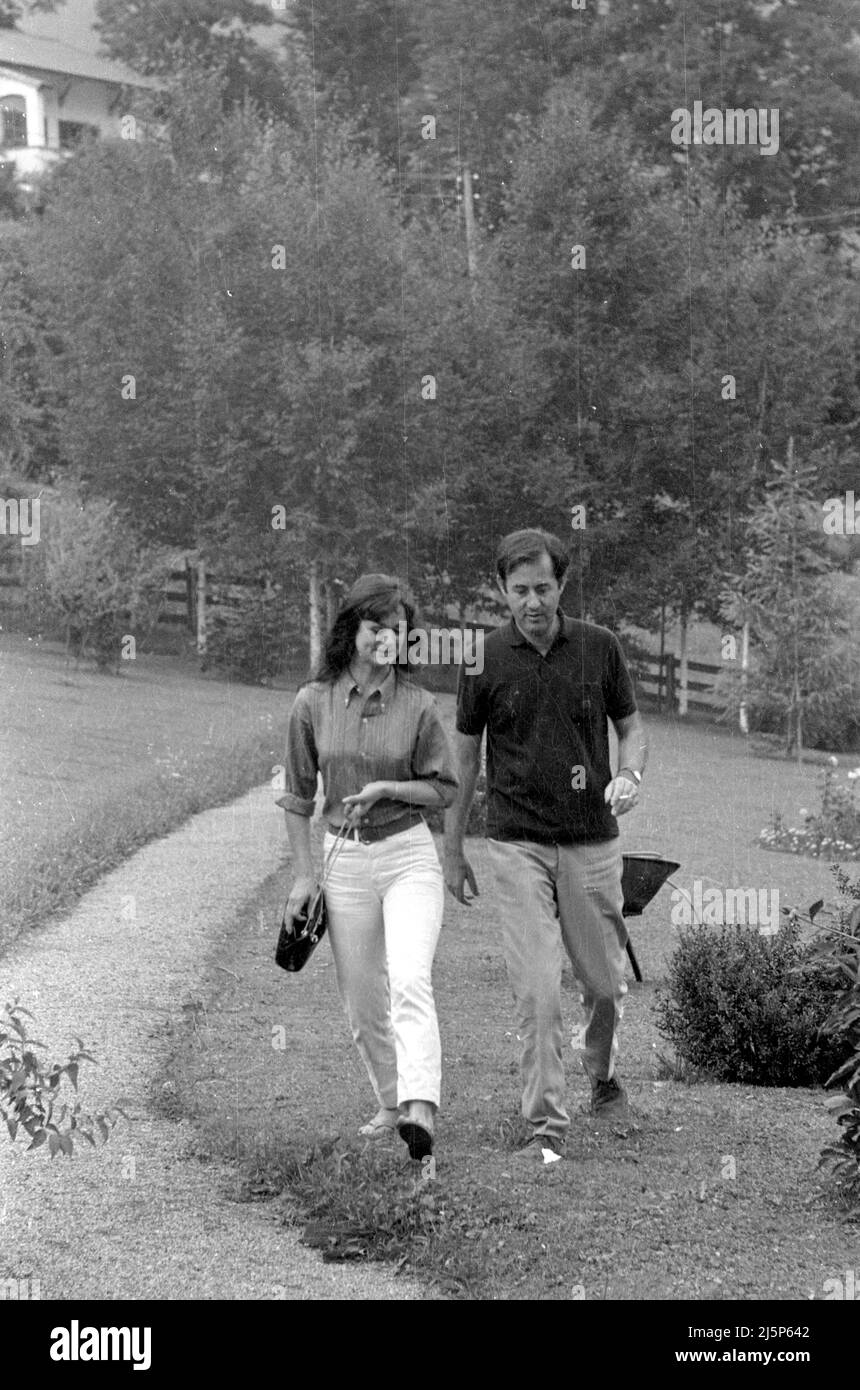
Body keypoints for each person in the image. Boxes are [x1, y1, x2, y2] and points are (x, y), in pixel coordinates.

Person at [443, 529, 648, 1161]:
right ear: (502, 590)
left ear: (561, 586)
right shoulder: (483, 659)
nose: (532, 602)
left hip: (591, 842)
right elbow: (465, 757)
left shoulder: (599, 648)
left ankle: (604, 1075)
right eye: (519, 589)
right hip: (516, 843)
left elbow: (631, 726)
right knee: (537, 988)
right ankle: (545, 1129)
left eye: (543, 588)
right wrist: (452, 847)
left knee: (606, 987)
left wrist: (629, 773)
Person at [278, 573, 458, 1160]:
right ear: (353, 629)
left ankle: (420, 1110)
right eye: (376, 626)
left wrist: (386, 787)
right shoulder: (313, 701)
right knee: (362, 999)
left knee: (409, 976)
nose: (386, 639)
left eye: (397, 630)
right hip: (345, 864)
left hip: (408, 856)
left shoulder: (419, 705)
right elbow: (299, 798)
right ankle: (389, 1102)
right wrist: (305, 877)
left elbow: (445, 791)